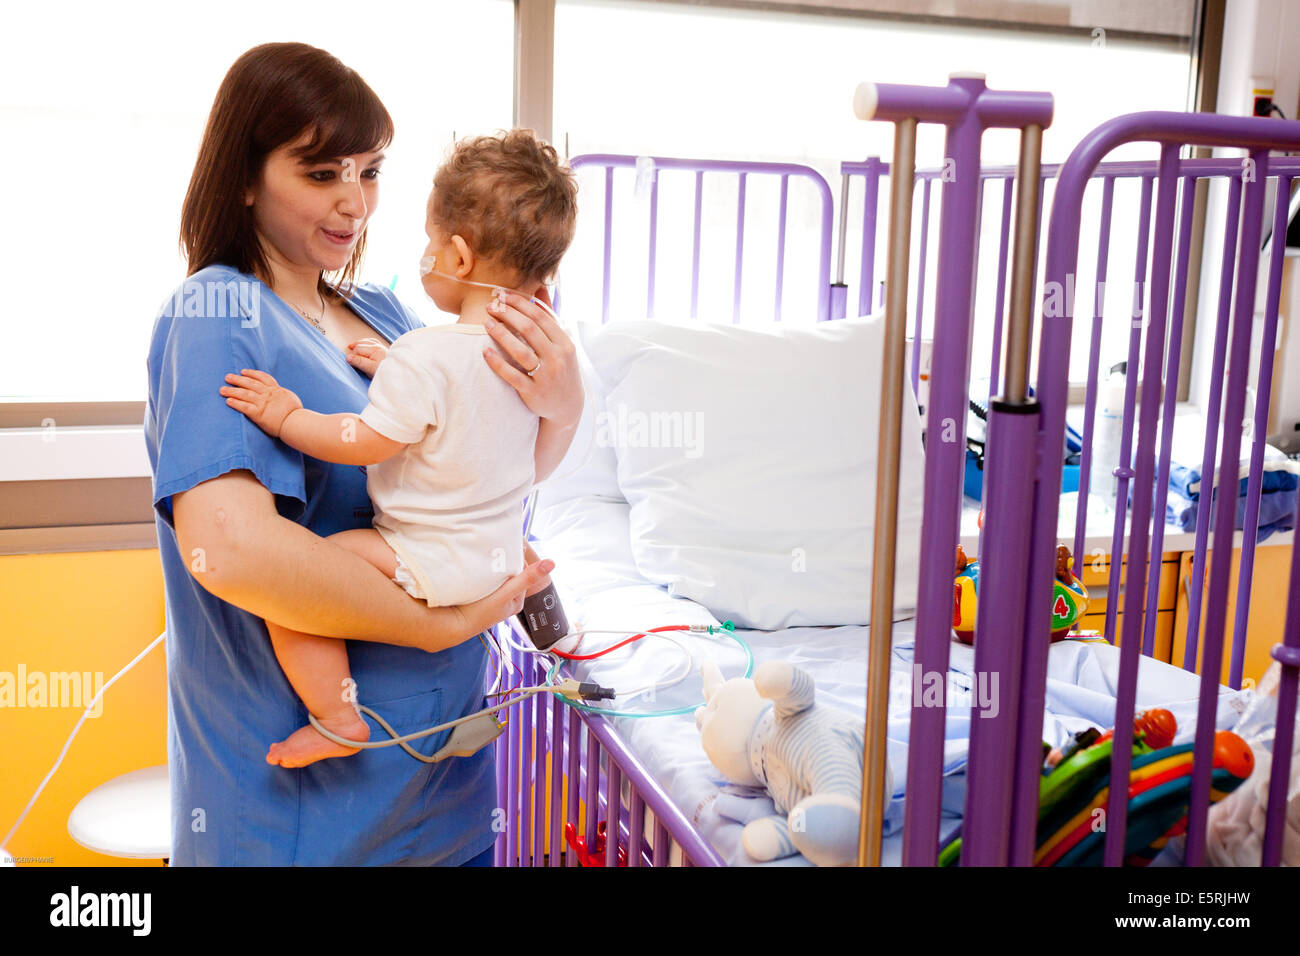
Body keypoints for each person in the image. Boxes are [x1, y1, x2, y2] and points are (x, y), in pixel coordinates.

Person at [143, 42, 582, 866]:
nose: (355, 203)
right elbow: (232, 551)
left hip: (445, 789)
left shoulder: (386, 314)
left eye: (370, 171)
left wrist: (562, 406)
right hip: (307, 817)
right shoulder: (218, 313)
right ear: (244, 179)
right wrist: (443, 624)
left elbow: (480, 477)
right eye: (322, 174)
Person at [219, 130, 578, 770]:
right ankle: (548, 632)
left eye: (429, 242)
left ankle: (337, 718)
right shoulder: (529, 361)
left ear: (457, 258)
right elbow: (475, 422)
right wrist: (396, 370)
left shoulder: (424, 353)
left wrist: (289, 416)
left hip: (426, 554)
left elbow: (365, 442)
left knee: (297, 592)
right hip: (496, 557)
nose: (425, 254)